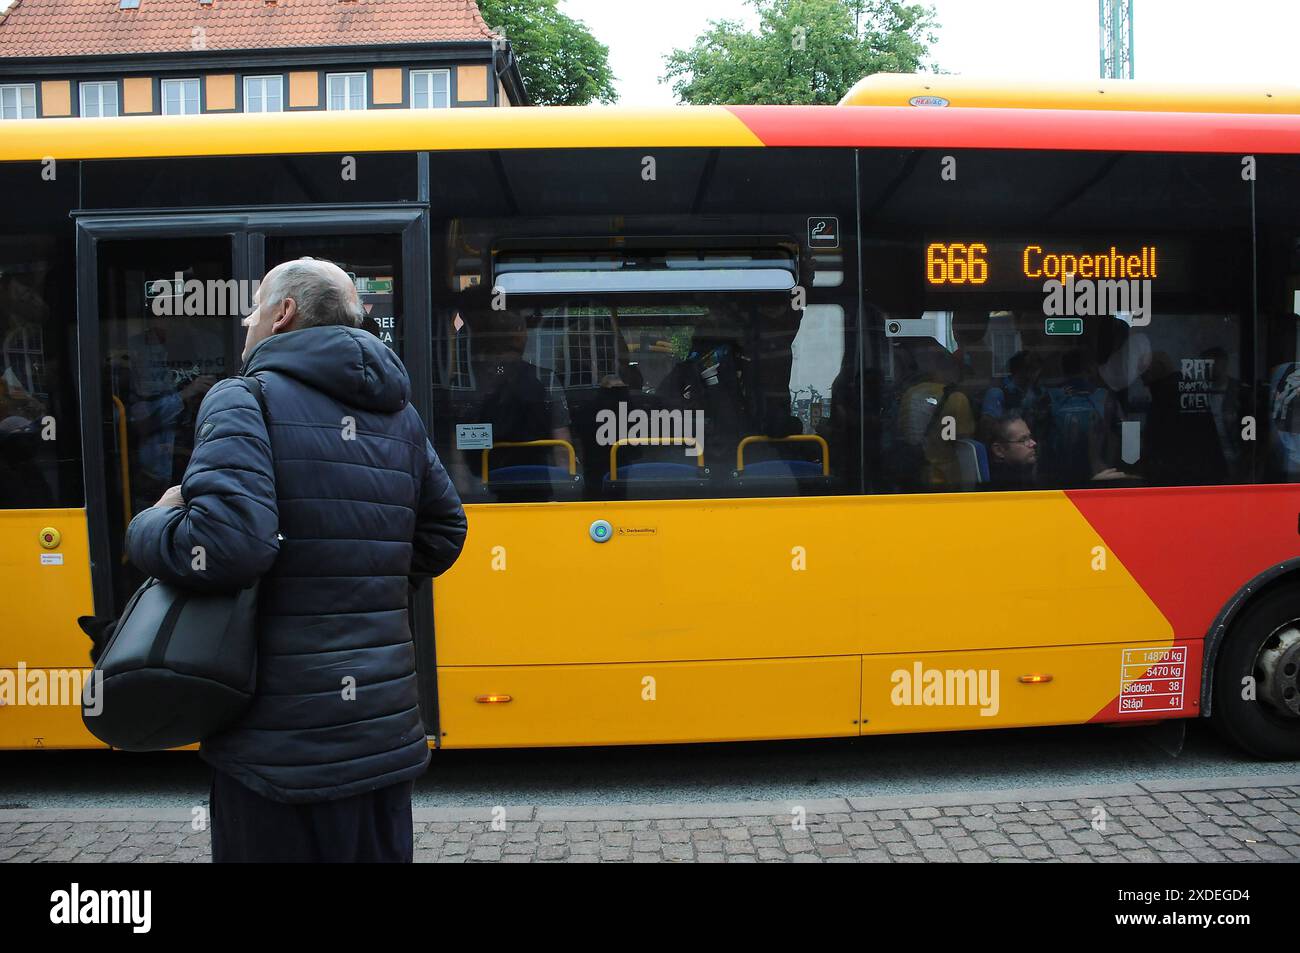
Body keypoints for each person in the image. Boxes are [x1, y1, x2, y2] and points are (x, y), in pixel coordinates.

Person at [125, 258, 467, 863]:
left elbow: (228, 544)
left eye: (254, 307)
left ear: (283, 314)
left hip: (279, 752)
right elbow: (444, 530)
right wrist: (363, 571)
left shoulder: (243, 397)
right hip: (384, 743)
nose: (245, 321)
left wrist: (151, 522)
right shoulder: (400, 413)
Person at [983, 413, 1038, 490]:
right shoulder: (1002, 486)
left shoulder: (1025, 473)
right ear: (999, 450)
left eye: (1030, 437)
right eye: (1023, 440)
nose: (1033, 443)